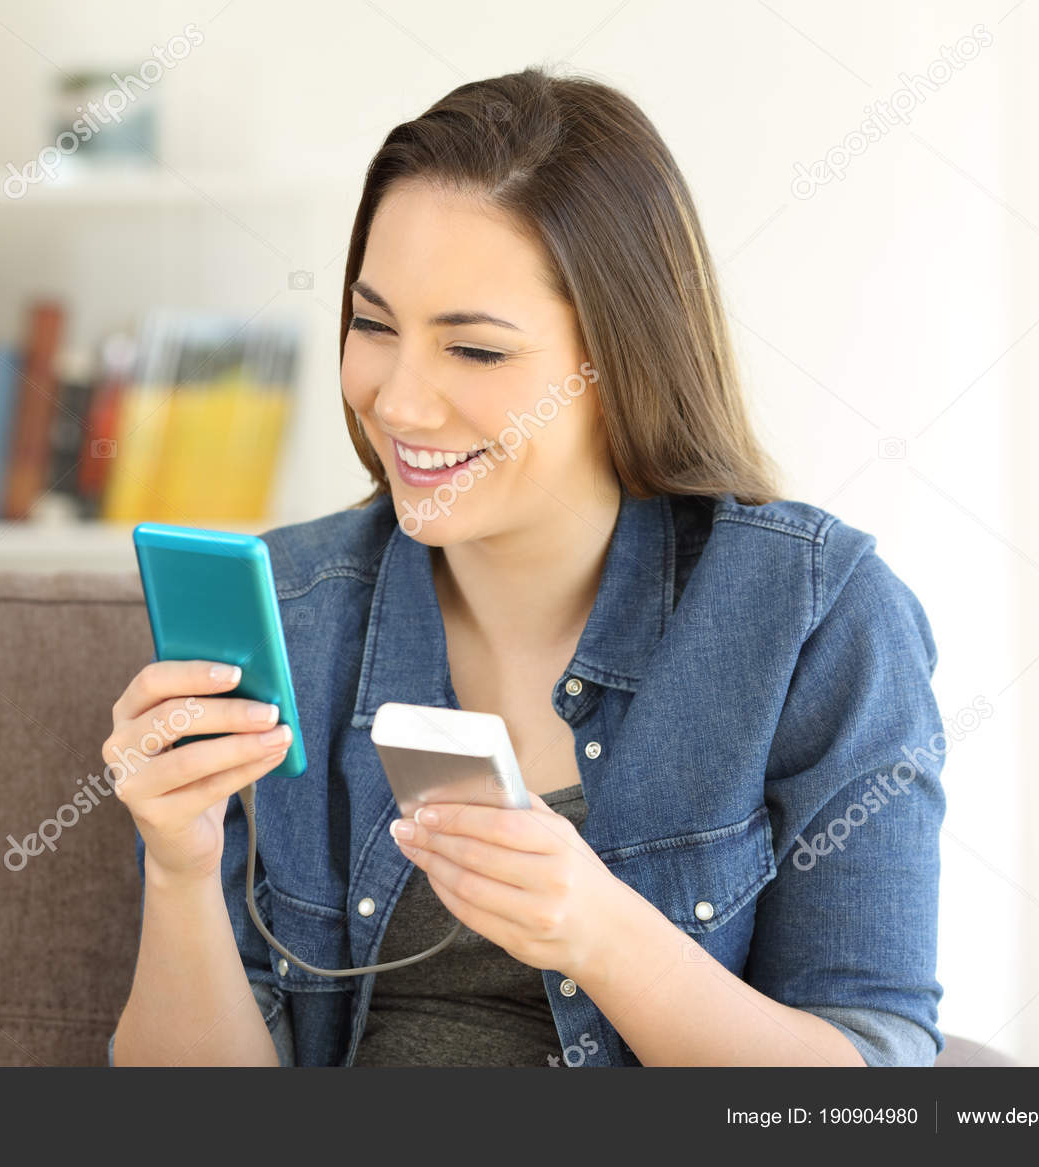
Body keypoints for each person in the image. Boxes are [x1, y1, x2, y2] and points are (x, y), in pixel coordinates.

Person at [106, 65, 945, 1067]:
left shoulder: (812, 616)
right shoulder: (289, 614)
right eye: (374, 326)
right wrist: (180, 868)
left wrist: (601, 933)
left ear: (622, 360)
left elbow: (871, 1068)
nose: (397, 403)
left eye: (474, 351)